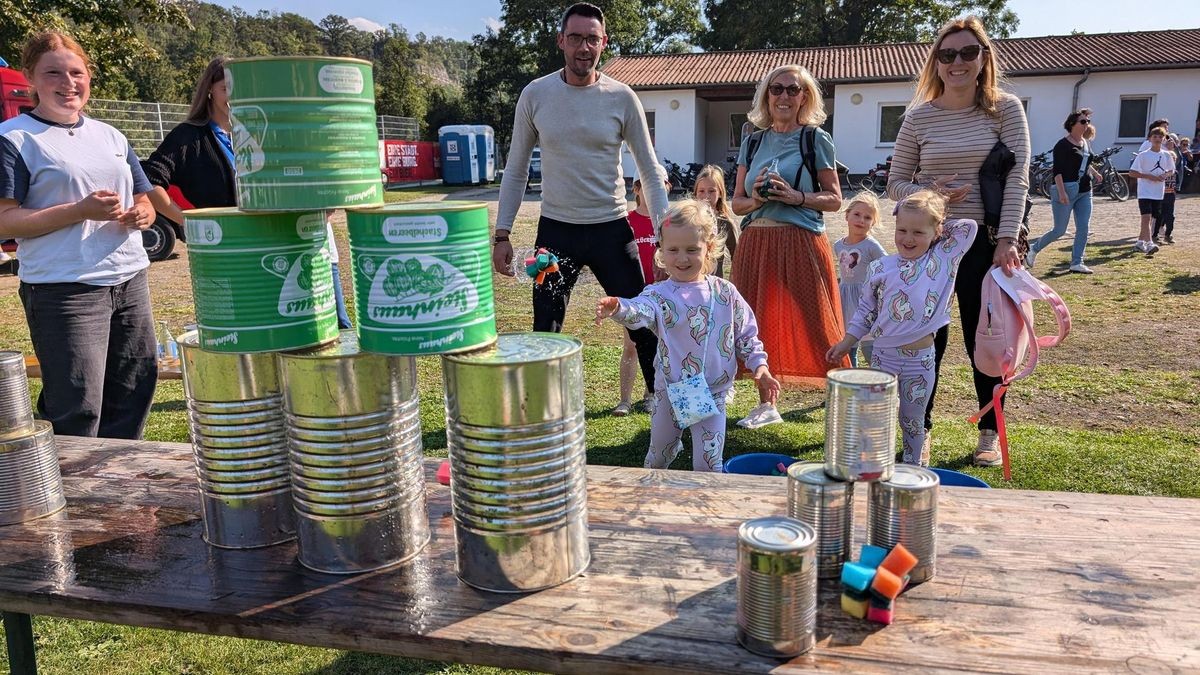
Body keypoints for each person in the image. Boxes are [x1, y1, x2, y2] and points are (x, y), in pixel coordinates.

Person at [491, 2, 667, 392]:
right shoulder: (535, 94)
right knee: (546, 326)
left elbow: (649, 169)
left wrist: (666, 230)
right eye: (575, 38)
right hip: (555, 235)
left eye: (592, 39)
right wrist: (502, 234)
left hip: (612, 230)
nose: (583, 47)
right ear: (561, 41)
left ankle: (663, 405)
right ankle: (543, 409)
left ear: (603, 43)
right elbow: (516, 169)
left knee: (641, 322)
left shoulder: (622, 97)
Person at [887, 15, 1030, 467]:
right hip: (928, 245)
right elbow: (894, 184)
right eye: (947, 55)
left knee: (985, 339)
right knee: (923, 338)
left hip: (985, 243)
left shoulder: (1005, 109)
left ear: (984, 57)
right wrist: (931, 195)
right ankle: (919, 431)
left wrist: (1007, 237)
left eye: (969, 52)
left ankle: (990, 431)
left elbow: (1018, 178)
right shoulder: (919, 116)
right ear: (936, 62)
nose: (957, 63)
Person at [0, 31, 158, 438]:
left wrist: (142, 213)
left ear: (89, 78)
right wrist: (79, 211)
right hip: (64, 290)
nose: (67, 82)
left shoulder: (110, 135)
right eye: (52, 72)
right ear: (30, 79)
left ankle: (118, 485)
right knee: (77, 406)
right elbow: (5, 222)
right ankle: (73, 493)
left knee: (133, 392)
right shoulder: (14, 138)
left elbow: (145, 198)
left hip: (129, 279)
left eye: (76, 72)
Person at [143, 57, 352, 329]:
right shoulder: (191, 137)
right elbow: (148, 179)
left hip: (300, 243)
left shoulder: (273, 127)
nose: (238, 96)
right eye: (228, 87)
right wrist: (187, 220)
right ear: (210, 90)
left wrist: (324, 200)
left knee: (331, 327)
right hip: (238, 255)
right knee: (258, 334)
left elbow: (310, 172)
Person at [595, 200, 781, 472]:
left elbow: (746, 334)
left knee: (708, 464)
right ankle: (655, 495)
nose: (682, 258)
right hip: (671, 392)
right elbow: (640, 312)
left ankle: (707, 508)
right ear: (661, 251)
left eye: (692, 250)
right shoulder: (658, 294)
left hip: (713, 393)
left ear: (709, 249)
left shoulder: (725, 293)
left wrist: (760, 367)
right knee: (659, 457)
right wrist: (619, 307)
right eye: (673, 250)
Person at [827, 192, 977, 467]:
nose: (908, 239)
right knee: (876, 417)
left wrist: (936, 203)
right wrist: (847, 342)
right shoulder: (880, 267)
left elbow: (969, 227)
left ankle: (912, 467)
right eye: (902, 230)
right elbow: (865, 313)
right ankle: (872, 466)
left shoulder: (943, 260)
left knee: (912, 420)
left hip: (920, 361)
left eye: (918, 232)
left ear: (937, 232)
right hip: (884, 357)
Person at [730, 64, 847, 385]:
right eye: (776, 89)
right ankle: (760, 388)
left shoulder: (815, 139)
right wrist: (756, 199)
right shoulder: (751, 142)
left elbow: (835, 199)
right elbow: (736, 203)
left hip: (801, 240)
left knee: (817, 321)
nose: (784, 96)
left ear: (804, 97)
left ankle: (840, 387)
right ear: (766, 96)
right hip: (756, 242)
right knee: (749, 321)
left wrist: (796, 196)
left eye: (793, 89)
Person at [1025, 109, 1102, 274]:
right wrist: (1061, 193)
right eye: (1082, 122)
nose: (1086, 124)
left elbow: (1085, 163)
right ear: (1072, 125)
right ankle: (1033, 249)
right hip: (1065, 189)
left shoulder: (1086, 143)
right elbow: (1057, 171)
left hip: (1085, 191)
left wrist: (1095, 173)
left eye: (1087, 122)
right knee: (1059, 230)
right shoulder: (1062, 145)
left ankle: (1077, 262)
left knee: (1084, 228)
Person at [612, 177, 659, 416]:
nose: (652, 190)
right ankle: (625, 400)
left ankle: (651, 394)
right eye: (647, 185)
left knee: (656, 346)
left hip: (660, 295)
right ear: (637, 189)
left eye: (659, 184)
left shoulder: (667, 220)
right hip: (633, 294)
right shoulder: (627, 221)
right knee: (631, 345)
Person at [833, 192, 888, 366]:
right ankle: (852, 380)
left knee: (869, 344)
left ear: (873, 222)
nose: (861, 220)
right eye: (857, 214)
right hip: (846, 299)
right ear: (847, 215)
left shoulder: (871, 245)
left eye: (867, 217)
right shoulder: (838, 245)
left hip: (866, 299)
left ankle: (879, 382)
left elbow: (887, 267)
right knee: (849, 344)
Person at [1129, 127, 1172, 255]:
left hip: (1158, 192)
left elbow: (1171, 170)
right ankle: (1149, 244)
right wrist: (1149, 176)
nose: (1158, 139)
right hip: (1145, 191)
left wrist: (1164, 175)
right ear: (1150, 139)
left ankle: (1140, 242)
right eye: (1155, 137)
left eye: (1160, 137)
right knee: (1146, 218)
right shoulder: (1143, 155)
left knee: (1152, 218)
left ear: (1163, 139)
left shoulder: (1166, 155)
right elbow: (1132, 172)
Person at [692, 164, 739, 278]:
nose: (706, 196)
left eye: (712, 191)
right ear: (695, 193)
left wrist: (732, 282)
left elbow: (737, 257)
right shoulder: (688, 221)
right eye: (701, 191)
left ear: (720, 193)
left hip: (714, 286)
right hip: (690, 284)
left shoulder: (725, 223)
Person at [1153, 134, 1180, 245]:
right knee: (1159, 216)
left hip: (1170, 196)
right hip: (1160, 195)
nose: (1172, 161)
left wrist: (1175, 191)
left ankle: (1168, 234)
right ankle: (1154, 236)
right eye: (1170, 159)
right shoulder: (1161, 171)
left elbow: (1177, 184)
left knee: (1170, 216)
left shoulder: (1175, 173)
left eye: (1174, 159)